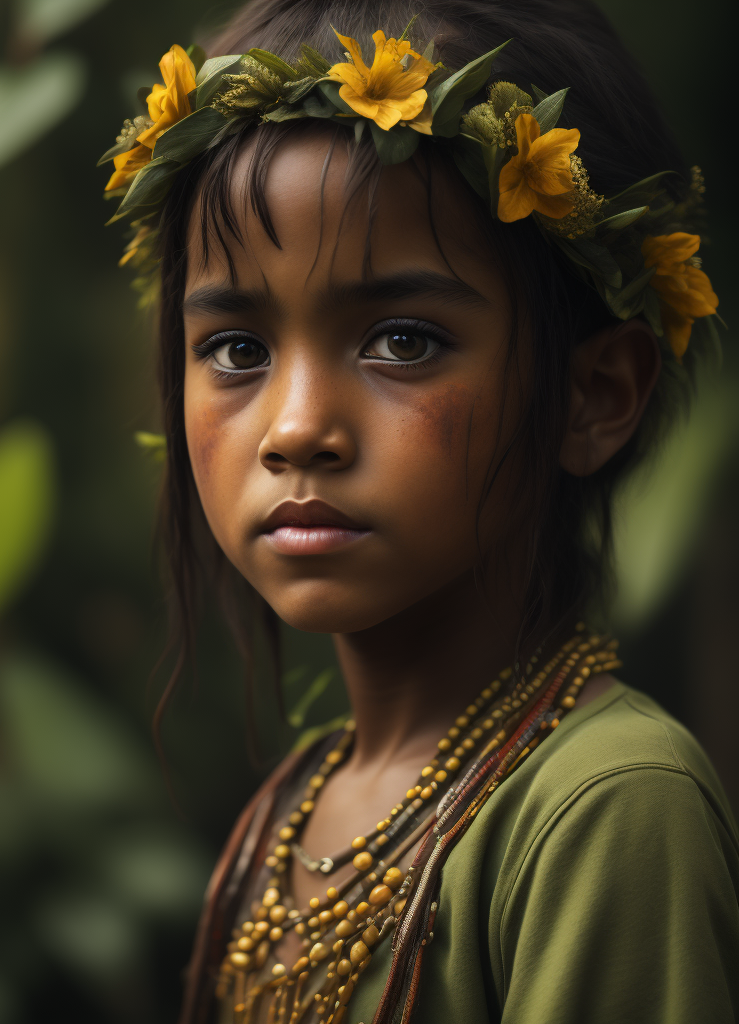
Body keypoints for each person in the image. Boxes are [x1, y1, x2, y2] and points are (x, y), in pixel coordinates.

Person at [98, 1, 737, 1021]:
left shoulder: (605, 803)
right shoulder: (299, 804)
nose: (297, 428)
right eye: (236, 351)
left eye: (402, 340)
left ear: (595, 395)